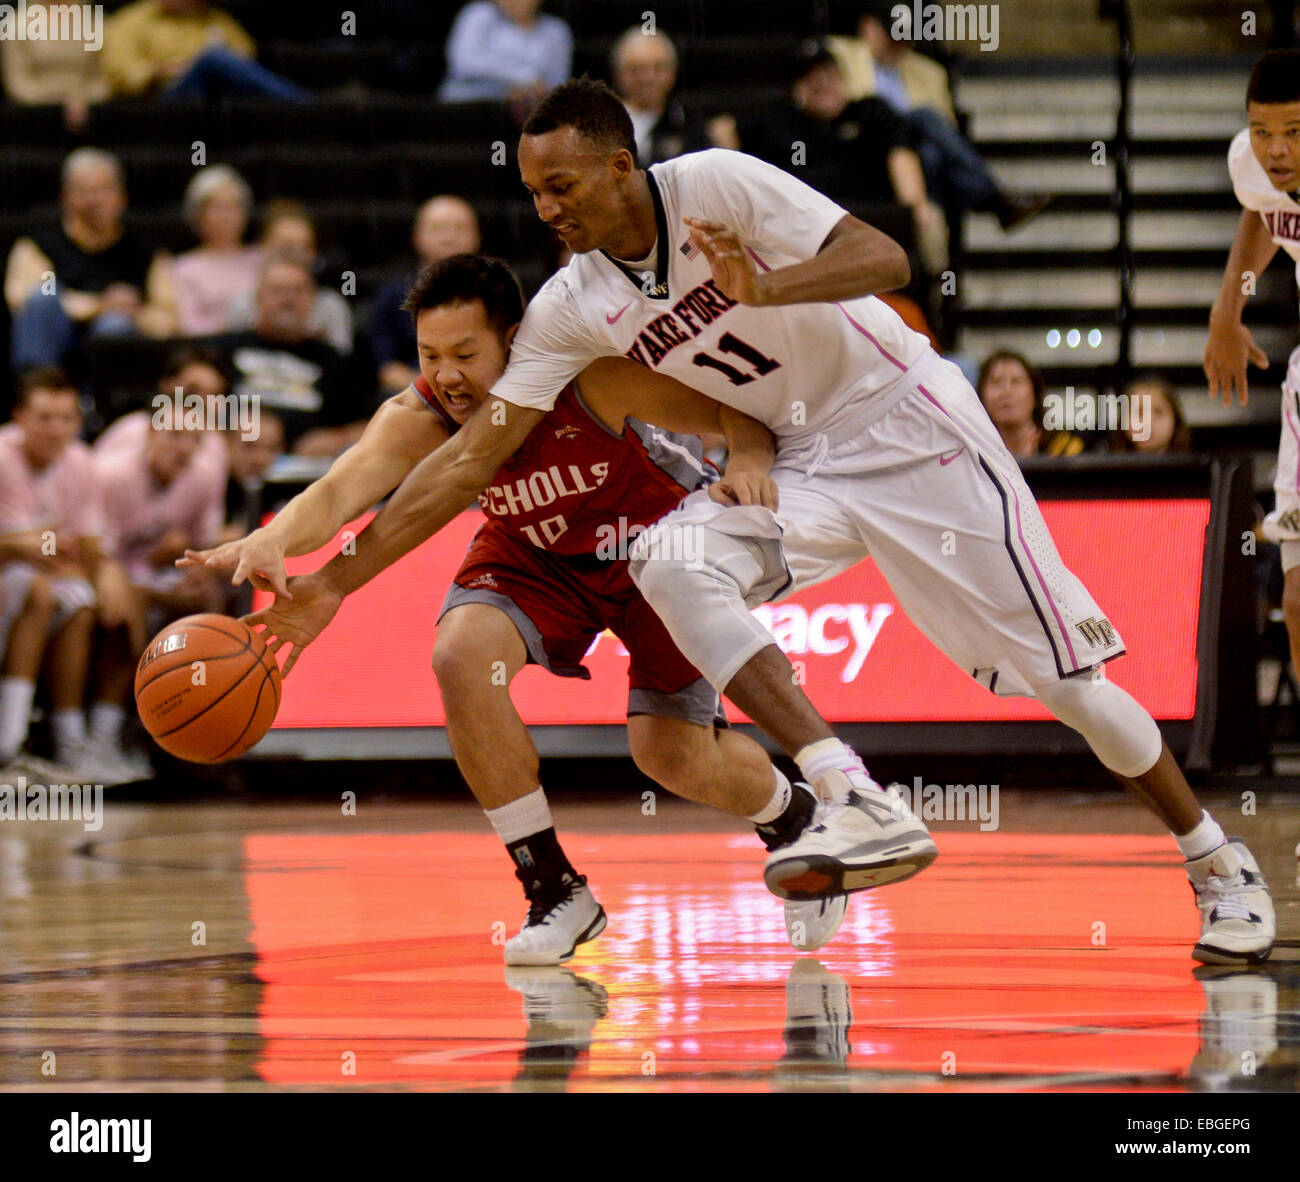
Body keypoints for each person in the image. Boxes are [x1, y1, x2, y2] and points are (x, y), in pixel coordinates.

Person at [233, 79, 1273, 966]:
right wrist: (332, 576)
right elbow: (466, 459)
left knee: (1071, 692)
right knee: (673, 556)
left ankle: (1213, 859)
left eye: (560, 185)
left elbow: (886, 260)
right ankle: (846, 791)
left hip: (913, 426)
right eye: (532, 191)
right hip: (813, 460)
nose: (545, 207)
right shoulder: (567, 310)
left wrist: (763, 285)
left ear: (618, 168)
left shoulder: (718, 185)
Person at [183, 253, 846, 964]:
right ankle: (555, 890)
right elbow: (345, 487)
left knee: (670, 756)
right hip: (535, 553)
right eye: (430, 354)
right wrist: (273, 538)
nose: (447, 374)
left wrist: (747, 458)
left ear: (515, 337)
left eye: (466, 353)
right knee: (460, 655)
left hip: (660, 545)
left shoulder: (589, 374)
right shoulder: (425, 412)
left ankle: (796, 819)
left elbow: (730, 403)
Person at [1205, 48, 1300, 775]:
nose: (1275, 150)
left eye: (1295, 132)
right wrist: (1227, 309)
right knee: (1297, 597)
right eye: (1263, 130)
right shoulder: (1254, 161)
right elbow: (1261, 212)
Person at [0, 368, 140, 782]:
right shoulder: (3, 456)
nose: (56, 429)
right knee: (41, 589)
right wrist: (51, 547)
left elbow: (86, 547)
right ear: (19, 417)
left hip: (31, 580)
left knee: (86, 601)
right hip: (13, 577)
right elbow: (25, 548)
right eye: (44, 418)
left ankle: (74, 745)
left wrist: (110, 572)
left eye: (66, 419)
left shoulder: (81, 462)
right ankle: (8, 748)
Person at [714, 43, 947, 274]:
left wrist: (916, 205)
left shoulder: (871, 112)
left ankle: (936, 300)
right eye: (811, 78)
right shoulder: (779, 122)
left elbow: (901, 152)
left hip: (872, 221)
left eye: (829, 74)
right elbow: (723, 128)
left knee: (929, 222)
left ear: (843, 79)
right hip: (805, 231)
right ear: (798, 88)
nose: (822, 83)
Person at [829, 2, 1049, 230]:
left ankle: (927, 240)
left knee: (931, 154)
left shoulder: (931, 73)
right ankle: (994, 198)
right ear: (868, 28)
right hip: (866, 144)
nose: (899, 44)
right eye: (891, 35)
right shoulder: (840, 56)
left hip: (914, 150)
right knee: (925, 116)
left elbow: (948, 131)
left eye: (904, 36)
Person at [5, 148, 176, 373]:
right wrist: (99, 305)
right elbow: (25, 300)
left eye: (104, 189)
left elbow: (170, 319)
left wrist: (135, 314)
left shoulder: (148, 253)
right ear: (65, 198)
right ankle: (40, 394)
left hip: (115, 348)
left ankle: (105, 404)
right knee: (43, 301)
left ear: (122, 197)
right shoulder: (37, 246)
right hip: (55, 348)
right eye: (84, 191)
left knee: (116, 323)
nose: (95, 199)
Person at [213, 255, 373, 457]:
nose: (288, 300)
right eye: (278, 291)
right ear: (258, 298)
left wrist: (336, 438)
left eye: (298, 291)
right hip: (232, 458)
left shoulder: (336, 361)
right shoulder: (222, 350)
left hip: (310, 468)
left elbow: (371, 424)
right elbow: (192, 402)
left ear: (313, 299)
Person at [368, 196, 482, 396]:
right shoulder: (392, 296)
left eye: (459, 228)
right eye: (438, 228)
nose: (449, 237)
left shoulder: (499, 295)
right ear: (417, 236)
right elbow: (387, 370)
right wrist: (441, 390)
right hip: (416, 397)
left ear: (477, 237)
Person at [102, 0, 306, 102]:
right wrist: (168, 70)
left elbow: (246, 57)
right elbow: (121, 76)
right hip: (165, 99)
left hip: (217, 94)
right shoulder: (132, 21)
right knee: (212, 58)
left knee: (215, 61)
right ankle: (302, 104)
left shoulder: (213, 18)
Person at [226, 200, 353, 355]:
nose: (296, 255)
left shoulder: (331, 306)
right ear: (263, 247)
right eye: (287, 246)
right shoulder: (243, 302)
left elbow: (341, 365)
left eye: (305, 247)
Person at [438, 0, 572, 121]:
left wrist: (532, 91)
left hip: (529, 109)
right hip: (471, 103)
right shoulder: (478, 14)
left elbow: (558, 81)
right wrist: (525, 78)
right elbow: (464, 62)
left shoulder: (557, 30)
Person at [171, 165, 262, 337]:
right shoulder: (185, 267)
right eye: (217, 208)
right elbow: (189, 325)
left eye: (233, 207)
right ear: (198, 215)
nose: (226, 217)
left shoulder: (262, 260)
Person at [0, 0, 108, 134]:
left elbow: (104, 81)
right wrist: (63, 100)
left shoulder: (97, 23)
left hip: (92, 117)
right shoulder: (16, 25)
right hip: (32, 119)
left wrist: (83, 97)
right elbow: (18, 85)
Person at [610, 27, 710, 168]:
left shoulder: (688, 124)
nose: (648, 78)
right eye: (637, 69)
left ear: (672, 73)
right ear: (619, 73)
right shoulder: (603, 125)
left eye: (658, 68)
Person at [976, 349, 1084, 458]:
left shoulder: (1065, 450)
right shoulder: (973, 451)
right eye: (996, 382)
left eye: (1016, 382)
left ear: (1035, 394)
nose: (1006, 391)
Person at [1109, 375, 1191, 454]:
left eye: (1158, 412)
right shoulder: (1108, 465)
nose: (1148, 422)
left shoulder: (1193, 465)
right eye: (1139, 413)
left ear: (1175, 419)